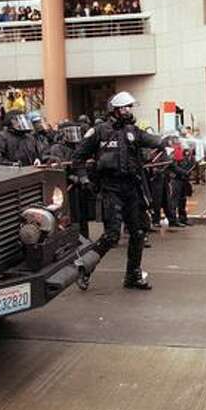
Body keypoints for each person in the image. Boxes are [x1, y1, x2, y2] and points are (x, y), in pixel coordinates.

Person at [72, 91, 166, 291]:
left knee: (138, 232)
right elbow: (77, 158)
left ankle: (133, 275)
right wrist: (83, 178)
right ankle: (85, 268)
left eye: (130, 107)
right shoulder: (98, 131)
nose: (129, 110)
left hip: (131, 187)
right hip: (111, 188)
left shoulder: (133, 131)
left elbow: (153, 140)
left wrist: (167, 140)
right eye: (125, 107)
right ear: (115, 110)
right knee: (112, 235)